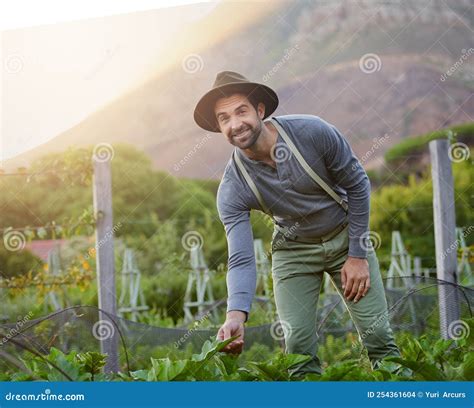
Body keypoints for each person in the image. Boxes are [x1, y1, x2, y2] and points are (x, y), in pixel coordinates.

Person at [193, 71, 401, 375]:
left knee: (379, 337)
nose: (235, 124)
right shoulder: (232, 187)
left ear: (260, 111)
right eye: (224, 118)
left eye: (241, 111)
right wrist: (235, 315)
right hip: (294, 253)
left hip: (346, 239)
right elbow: (240, 258)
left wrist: (357, 255)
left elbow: (357, 185)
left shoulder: (313, 133)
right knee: (298, 350)